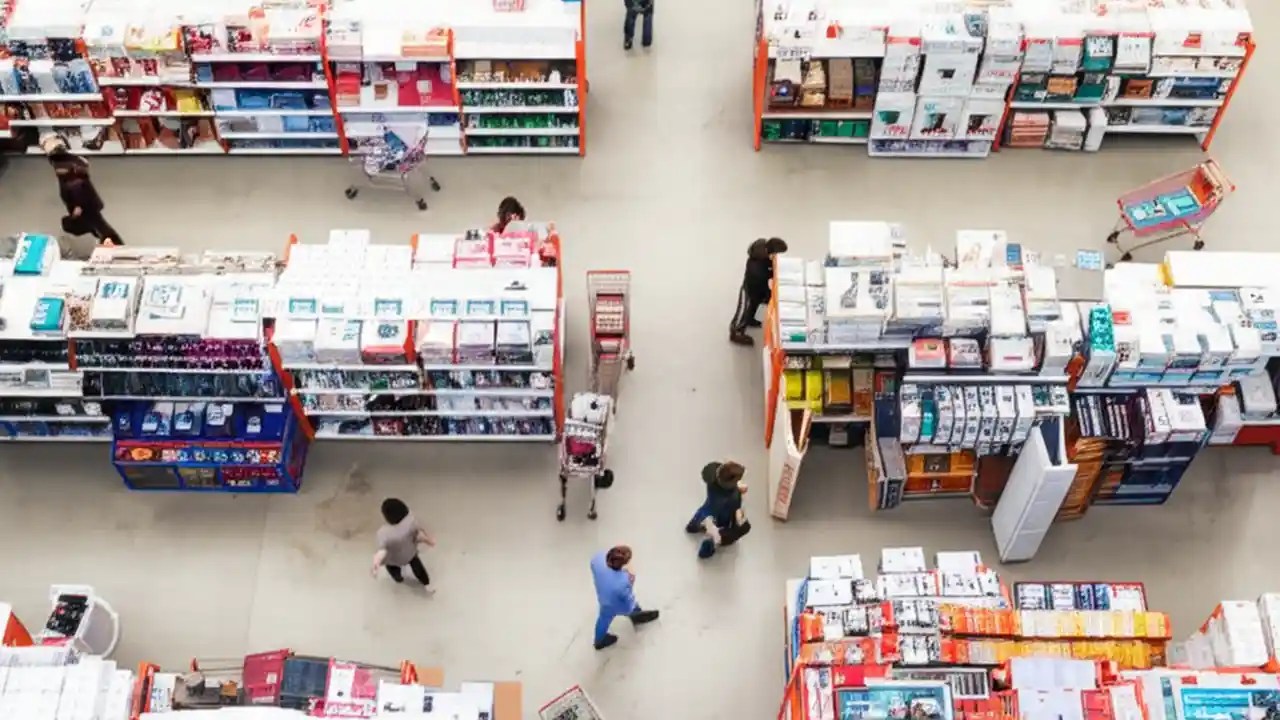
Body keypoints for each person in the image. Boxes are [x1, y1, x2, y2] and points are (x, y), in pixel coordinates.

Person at [48, 146, 123, 245]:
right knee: (99, 227)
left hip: (85, 207)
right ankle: (115, 245)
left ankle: (114, 245)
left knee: (98, 227)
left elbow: (76, 188)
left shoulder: (71, 179)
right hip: (86, 206)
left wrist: (78, 206)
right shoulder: (69, 176)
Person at [589, 545, 659, 649]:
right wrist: (630, 580)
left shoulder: (598, 558)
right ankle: (635, 614)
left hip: (603, 596)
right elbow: (627, 596)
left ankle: (599, 640)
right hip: (615, 604)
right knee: (629, 606)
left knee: (603, 619)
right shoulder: (623, 580)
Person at [685, 461, 751, 559]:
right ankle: (707, 547)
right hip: (720, 516)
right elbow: (711, 516)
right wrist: (713, 530)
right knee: (714, 533)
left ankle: (693, 526)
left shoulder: (713, 477)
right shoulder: (724, 500)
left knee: (700, 517)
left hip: (712, 509)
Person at [729, 237, 787, 345]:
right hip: (750, 289)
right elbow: (763, 276)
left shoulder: (766, 257)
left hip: (759, 289)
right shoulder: (756, 265)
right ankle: (736, 331)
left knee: (754, 306)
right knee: (744, 309)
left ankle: (751, 320)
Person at [370, 498, 435, 592]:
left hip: (393, 558)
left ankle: (398, 578)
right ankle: (426, 583)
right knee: (418, 568)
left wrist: (376, 564)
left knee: (392, 568)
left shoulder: (383, 533)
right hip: (410, 553)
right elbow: (418, 534)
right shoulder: (410, 521)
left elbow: (382, 551)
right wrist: (428, 541)